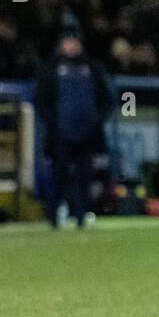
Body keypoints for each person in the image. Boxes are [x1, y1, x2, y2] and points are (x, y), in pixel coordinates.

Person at [34, 18, 112, 229]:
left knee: (85, 178)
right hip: (60, 134)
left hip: (87, 135)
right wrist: (53, 124)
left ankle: (81, 216)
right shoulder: (50, 69)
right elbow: (41, 101)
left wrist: (96, 122)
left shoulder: (93, 67)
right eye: (67, 41)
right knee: (59, 176)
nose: (71, 45)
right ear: (61, 44)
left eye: (74, 41)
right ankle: (54, 216)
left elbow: (107, 99)